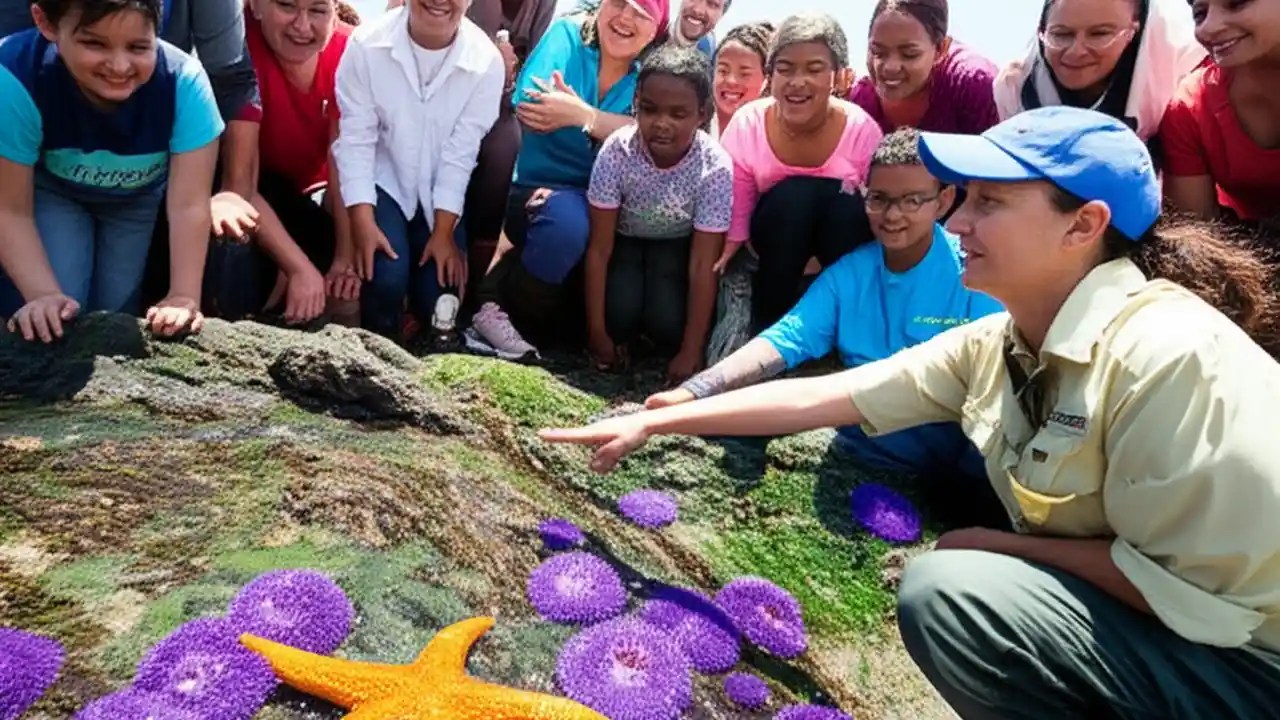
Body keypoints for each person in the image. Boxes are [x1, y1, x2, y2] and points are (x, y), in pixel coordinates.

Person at [540, 106, 1280, 718]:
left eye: (990, 202)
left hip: (1247, 662)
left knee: (948, 592)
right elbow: (821, 392)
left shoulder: (1170, 358)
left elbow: (1189, 594)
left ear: (1083, 225)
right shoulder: (1001, 339)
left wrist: (990, 545)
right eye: (965, 200)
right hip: (1185, 625)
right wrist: (658, 417)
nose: (960, 225)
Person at [648, 128, 1005, 523]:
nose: (892, 215)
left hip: (952, 472)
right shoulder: (850, 274)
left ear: (944, 201)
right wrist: (696, 390)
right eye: (879, 199)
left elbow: (995, 398)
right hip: (856, 449)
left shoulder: (974, 276)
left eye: (912, 201)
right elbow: (784, 340)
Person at [0, 0, 221, 343]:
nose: (119, 66)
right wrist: (41, 294)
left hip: (136, 200)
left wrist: (183, 294)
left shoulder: (185, 83)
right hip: (52, 193)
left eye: (138, 46)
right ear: (46, 22)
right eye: (94, 43)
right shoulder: (14, 75)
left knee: (115, 313)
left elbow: (189, 205)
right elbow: (8, 209)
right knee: (60, 309)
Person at [465, 0, 666, 360]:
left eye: (641, 12)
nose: (625, 17)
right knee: (568, 223)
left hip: (612, 204)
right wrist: (611, 129)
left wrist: (583, 115)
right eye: (619, 3)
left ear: (656, 27)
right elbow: (530, 103)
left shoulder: (653, 73)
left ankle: (531, 315)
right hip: (539, 192)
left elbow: (655, 138)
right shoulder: (568, 35)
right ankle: (498, 311)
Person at [333, 0, 504, 341]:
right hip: (383, 183)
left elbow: (461, 153)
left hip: (440, 192)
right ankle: (381, 337)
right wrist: (362, 223)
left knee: (441, 294)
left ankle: (419, 318)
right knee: (384, 277)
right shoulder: (366, 44)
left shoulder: (486, 62)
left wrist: (444, 233)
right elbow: (356, 140)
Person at [717, 12, 882, 332]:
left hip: (837, 253)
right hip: (772, 252)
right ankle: (769, 325)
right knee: (794, 198)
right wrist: (726, 255)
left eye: (814, 69)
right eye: (785, 68)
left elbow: (879, 204)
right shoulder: (747, 124)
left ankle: (848, 326)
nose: (797, 81)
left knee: (842, 204)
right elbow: (737, 202)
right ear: (769, 77)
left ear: (841, 78)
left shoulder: (861, 130)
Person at [203, 0, 356, 327]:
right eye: (287, 6)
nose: (302, 26)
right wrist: (298, 267)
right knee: (235, 240)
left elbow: (345, 164)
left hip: (303, 194)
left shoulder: (352, 53)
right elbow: (239, 185)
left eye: (317, 11)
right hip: (238, 188)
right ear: (255, 6)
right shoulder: (234, 48)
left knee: (343, 271)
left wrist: (345, 260)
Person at [585, 46, 732, 384]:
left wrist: (690, 351)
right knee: (618, 316)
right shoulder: (618, 151)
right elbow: (599, 250)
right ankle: (621, 337)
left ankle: (655, 339)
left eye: (679, 114)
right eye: (649, 110)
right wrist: (597, 334)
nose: (661, 124)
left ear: (702, 113)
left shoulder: (714, 167)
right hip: (624, 243)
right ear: (636, 103)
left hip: (677, 251)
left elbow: (702, 264)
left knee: (668, 325)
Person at [994, 0, 1206, 142]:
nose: (1076, 51)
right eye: (1061, 35)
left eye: (1099, 34)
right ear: (1042, 31)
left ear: (1136, 29)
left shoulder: (1184, 74)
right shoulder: (1018, 86)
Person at [461, 0, 557, 296]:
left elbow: (536, 69)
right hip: (454, 92)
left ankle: (478, 284)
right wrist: (490, 55)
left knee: (507, 142)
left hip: (504, 105)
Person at [1160, 0, 1280, 224]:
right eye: (1200, 14)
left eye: (1236, 4)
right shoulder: (1192, 107)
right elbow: (1192, 236)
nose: (1208, 27)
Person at [850, 0, 1000, 135]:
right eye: (878, 52)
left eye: (909, 54)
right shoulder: (861, 105)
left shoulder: (974, 86)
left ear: (941, 49)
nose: (890, 67)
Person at [710, 20, 772, 139]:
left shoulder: (772, 134)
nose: (731, 81)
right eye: (723, 71)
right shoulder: (695, 121)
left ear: (766, 79)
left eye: (744, 74)